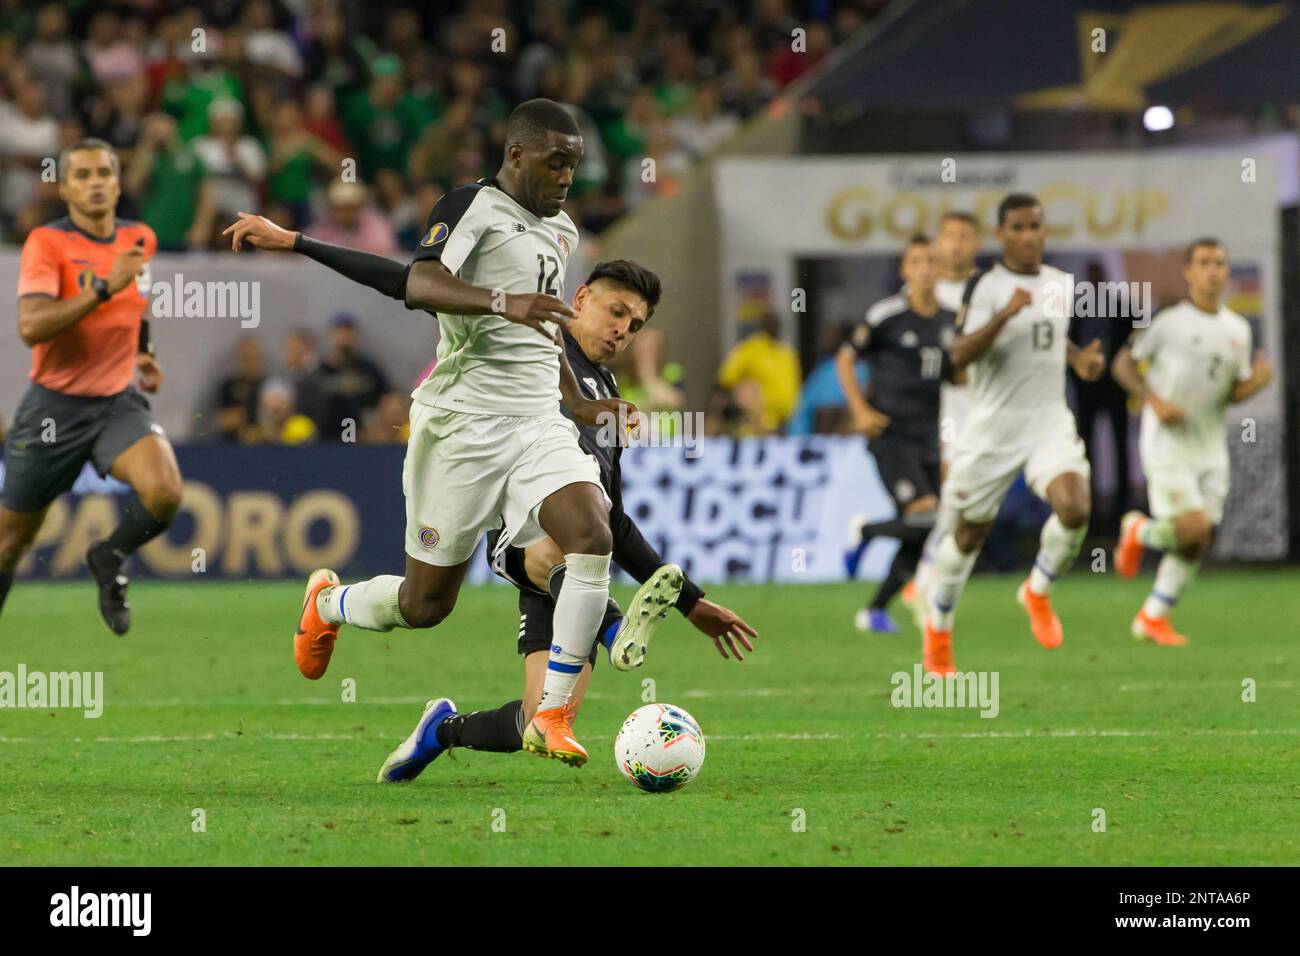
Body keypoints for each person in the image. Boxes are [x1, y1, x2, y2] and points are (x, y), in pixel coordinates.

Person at [224, 99, 633, 769]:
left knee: (591, 532)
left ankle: (552, 714)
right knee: (424, 605)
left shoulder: (562, 230)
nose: (566, 176)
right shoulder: (473, 205)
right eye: (556, 162)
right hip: (461, 427)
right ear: (517, 155)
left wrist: (576, 404)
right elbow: (417, 281)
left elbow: (546, 328)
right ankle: (329, 603)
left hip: (536, 422)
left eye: (575, 164)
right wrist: (297, 241)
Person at [377, 260, 757, 782]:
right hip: (520, 536)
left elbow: (612, 520)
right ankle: (615, 627)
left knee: (539, 721)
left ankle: (441, 730)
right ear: (580, 299)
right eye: (616, 311)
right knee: (557, 552)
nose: (623, 329)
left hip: (579, 562)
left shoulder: (607, 392)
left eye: (636, 324)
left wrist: (691, 602)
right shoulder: (536, 354)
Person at [0, 138, 181, 633]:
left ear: (119, 182)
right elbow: (32, 326)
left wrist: (145, 352)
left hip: (116, 402)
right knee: (10, 544)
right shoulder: (47, 243)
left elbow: (136, 303)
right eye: (83, 175)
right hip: (53, 409)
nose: (96, 183)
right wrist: (103, 285)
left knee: (164, 491)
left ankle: (108, 556)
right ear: (64, 189)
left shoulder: (139, 237)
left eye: (105, 173)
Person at [925, 193, 1106, 674]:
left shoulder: (1060, 284)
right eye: (1018, 228)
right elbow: (957, 356)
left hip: (1048, 418)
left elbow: (1048, 336)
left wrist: (1078, 360)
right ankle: (939, 629)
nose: (1029, 236)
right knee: (968, 534)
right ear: (1001, 235)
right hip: (993, 425)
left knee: (1075, 507)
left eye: (1036, 227)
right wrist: (1004, 314)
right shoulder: (985, 286)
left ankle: (1037, 589)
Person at [1111, 239, 1272, 645]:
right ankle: (1138, 533)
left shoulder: (1237, 330)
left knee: (1197, 539)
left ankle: (1151, 614)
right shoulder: (1169, 322)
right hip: (1167, 442)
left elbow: (1229, 392)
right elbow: (1122, 364)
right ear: (1188, 272)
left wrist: (1255, 384)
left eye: (1220, 263)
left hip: (1209, 446)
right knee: (1193, 528)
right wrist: (1154, 400)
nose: (1213, 271)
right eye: (1204, 263)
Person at [837, 235, 957, 634]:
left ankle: (873, 611)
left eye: (930, 262)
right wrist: (860, 410)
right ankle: (865, 531)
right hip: (890, 435)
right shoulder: (887, 315)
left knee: (927, 530)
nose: (924, 269)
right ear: (905, 271)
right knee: (927, 517)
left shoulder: (949, 320)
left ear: (940, 269)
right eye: (916, 262)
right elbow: (845, 358)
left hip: (928, 437)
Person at [908, 212, 980, 624]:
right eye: (948, 236)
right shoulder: (925, 292)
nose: (955, 244)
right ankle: (924, 582)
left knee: (969, 504)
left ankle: (927, 581)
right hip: (946, 411)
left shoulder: (985, 288)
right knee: (952, 499)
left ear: (976, 243)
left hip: (987, 408)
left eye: (964, 236)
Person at [716, 309, 801, 432]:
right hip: (756, 423)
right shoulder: (752, 349)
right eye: (770, 323)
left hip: (784, 423)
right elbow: (725, 381)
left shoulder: (786, 353)